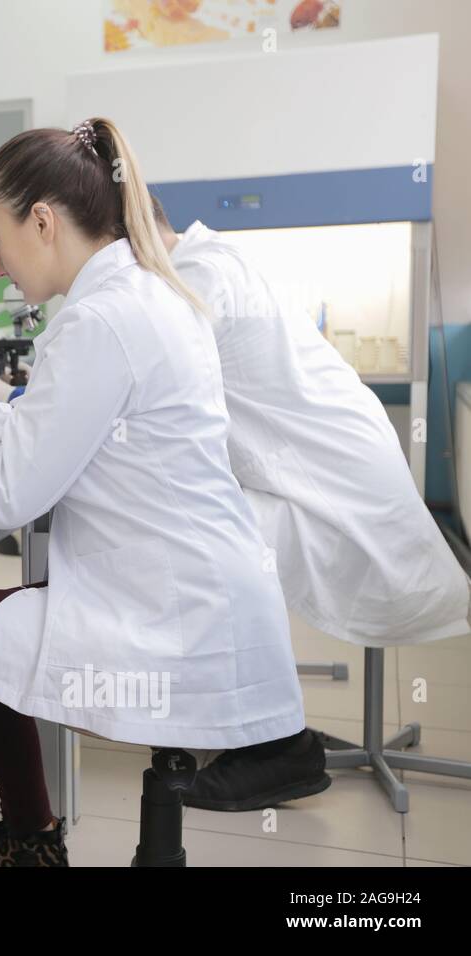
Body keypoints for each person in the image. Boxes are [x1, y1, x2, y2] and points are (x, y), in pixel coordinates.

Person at [0, 118, 304, 867]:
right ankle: (33, 839)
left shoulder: (102, 318)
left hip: (166, 627)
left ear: (42, 221)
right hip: (196, 601)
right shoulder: (141, 295)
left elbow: (11, 493)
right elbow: (82, 422)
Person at [146, 198, 471, 810]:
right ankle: (261, 727)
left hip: (337, 491)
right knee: (214, 534)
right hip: (333, 466)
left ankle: (273, 742)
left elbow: (160, 397)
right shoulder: (208, 257)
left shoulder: (200, 277)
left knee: (212, 547)